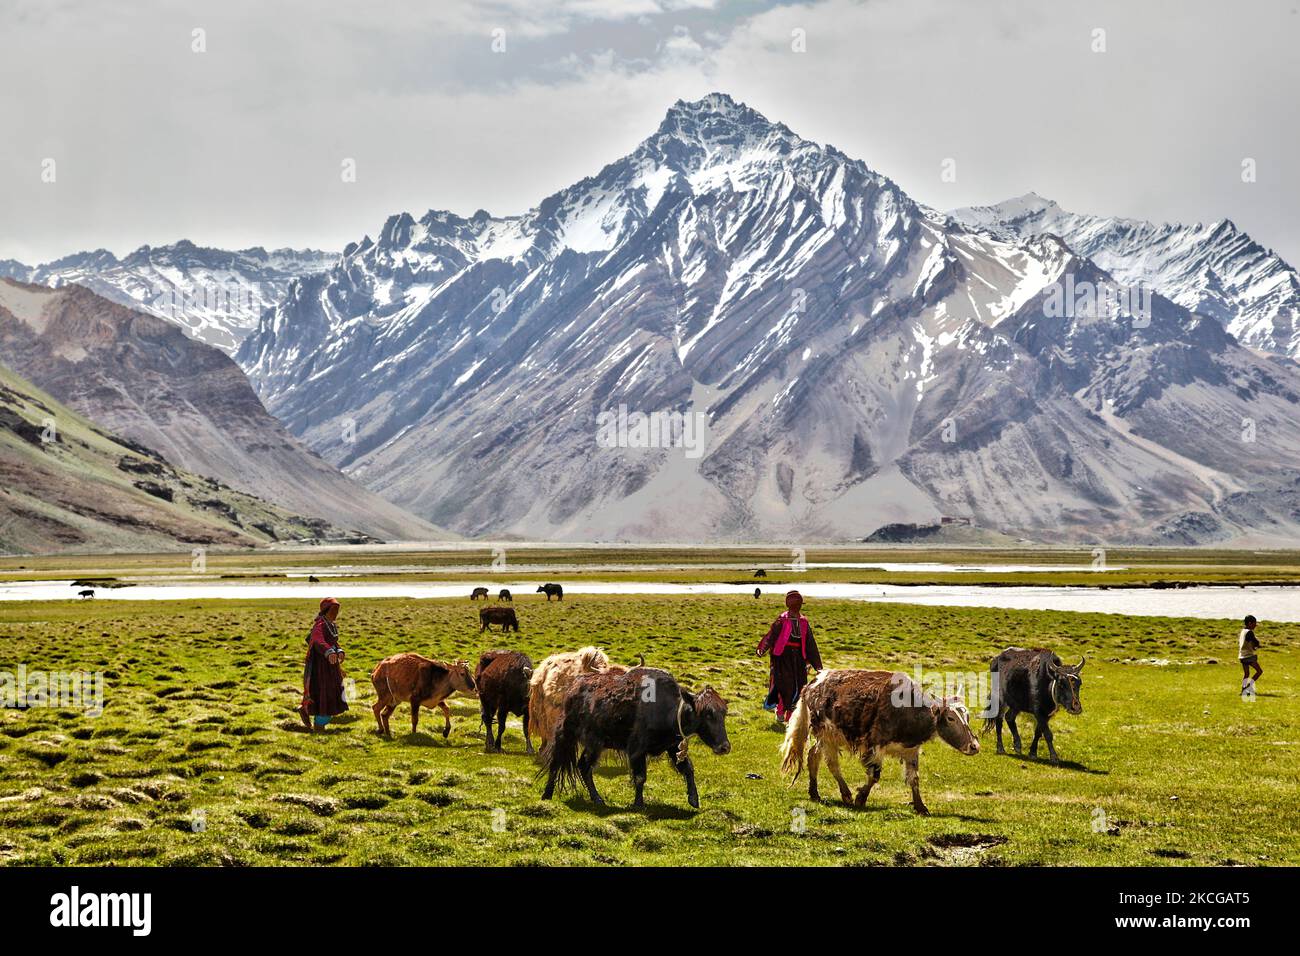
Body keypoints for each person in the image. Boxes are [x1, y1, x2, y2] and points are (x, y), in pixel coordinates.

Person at [757, 590, 822, 723]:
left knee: (799, 687)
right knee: (784, 686)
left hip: (798, 659)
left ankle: (790, 716)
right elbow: (771, 636)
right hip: (782, 657)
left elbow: (810, 644)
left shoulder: (803, 622)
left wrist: (817, 665)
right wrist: (762, 648)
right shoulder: (782, 619)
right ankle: (780, 711)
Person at [301, 597, 348, 731]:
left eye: (337, 610)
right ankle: (318, 726)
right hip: (321, 668)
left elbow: (333, 642)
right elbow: (318, 639)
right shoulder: (320, 624)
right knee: (324, 693)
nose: (336, 613)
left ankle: (319, 722)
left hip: (330, 666)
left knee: (332, 693)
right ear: (326, 610)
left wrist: (339, 650)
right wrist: (328, 651)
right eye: (333, 610)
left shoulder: (331, 625)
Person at [1239, 614, 1262, 696]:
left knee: (1246, 674)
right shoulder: (1249, 632)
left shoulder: (1243, 631)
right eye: (1254, 623)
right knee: (1259, 671)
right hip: (1248, 656)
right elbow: (1256, 642)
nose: (1255, 625)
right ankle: (1248, 688)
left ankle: (1243, 690)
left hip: (1241, 656)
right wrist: (1257, 645)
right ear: (1249, 623)